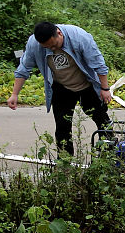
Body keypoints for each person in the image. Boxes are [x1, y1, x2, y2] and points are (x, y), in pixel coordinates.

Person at [7, 21, 113, 156]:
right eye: (47, 47)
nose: (52, 49)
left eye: (54, 45)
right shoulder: (34, 44)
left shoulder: (79, 37)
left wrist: (105, 88)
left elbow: (99, 64)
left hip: (87, 85)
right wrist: (14, 94)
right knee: (62, 128)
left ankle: (109, 156)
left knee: (102, 121)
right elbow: (24, 68)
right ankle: (65, 162)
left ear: (59, 33)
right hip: (61, 88)